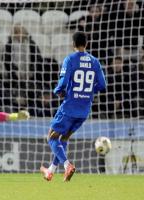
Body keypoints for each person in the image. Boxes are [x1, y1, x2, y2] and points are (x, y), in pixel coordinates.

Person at [40, 32, 106, 182]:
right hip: (84, 110)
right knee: (63, 139)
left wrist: (57, 91)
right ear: (86, 44)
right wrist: (87, 91)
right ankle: (51, 170)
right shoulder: (95, 62)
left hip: (69, 107)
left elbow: (63, 84)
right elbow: (102, 85)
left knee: (51, 136)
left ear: (73, 44)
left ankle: (67, 165)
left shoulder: (70, 59)